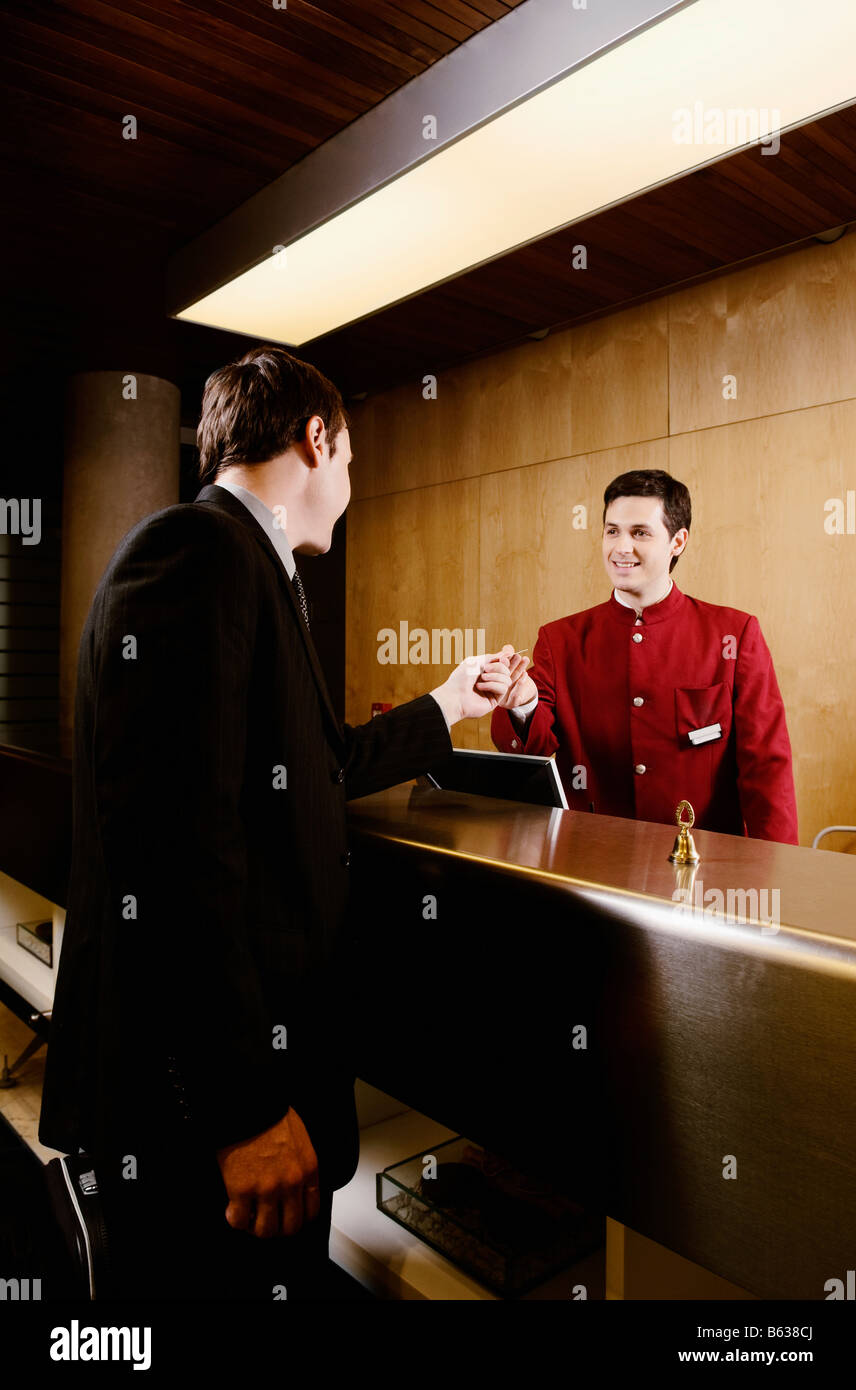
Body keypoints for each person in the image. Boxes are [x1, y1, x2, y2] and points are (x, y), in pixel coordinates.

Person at [38, 345, 517, 1300]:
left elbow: (317, 763)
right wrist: (243, 1110)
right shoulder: (196, 552)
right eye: (349, 462)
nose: (348, 487)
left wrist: (447, 702)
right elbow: (170, 855)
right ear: (317, 438)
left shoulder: (249, 568)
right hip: (203, 1120)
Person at [492, 469, 798, 844]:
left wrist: (781, 870)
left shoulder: (735, 633)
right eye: (612, 530)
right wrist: (521, 704)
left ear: (678, 541)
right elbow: (536, 748)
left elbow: (766, 766)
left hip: (704, 869)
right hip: (590, 862)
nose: (621, 547)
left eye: (640, 532)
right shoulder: (560, 640)